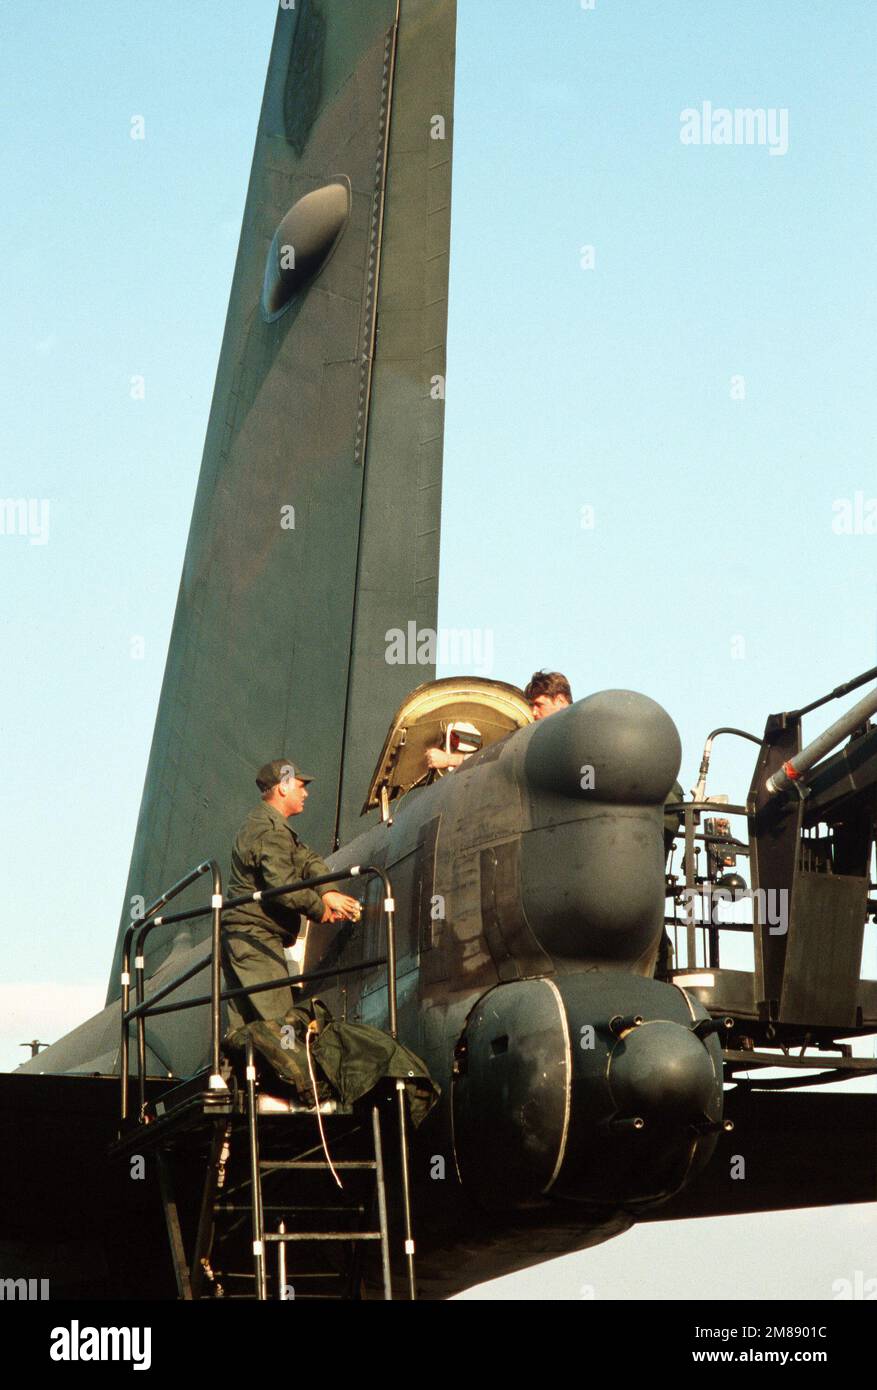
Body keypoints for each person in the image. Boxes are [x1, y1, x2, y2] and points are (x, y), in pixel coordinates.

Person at [222, 758, 360, 1035]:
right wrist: (320, 910)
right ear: (283, 788)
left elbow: (306, 858)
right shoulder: (270, 831)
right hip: (254, 939)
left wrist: (328, 891)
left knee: (248, 1034)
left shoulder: (271, 825)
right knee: (282, 1030)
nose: (306, 793)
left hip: (245, 936)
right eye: (301, 786)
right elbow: (282, 886)